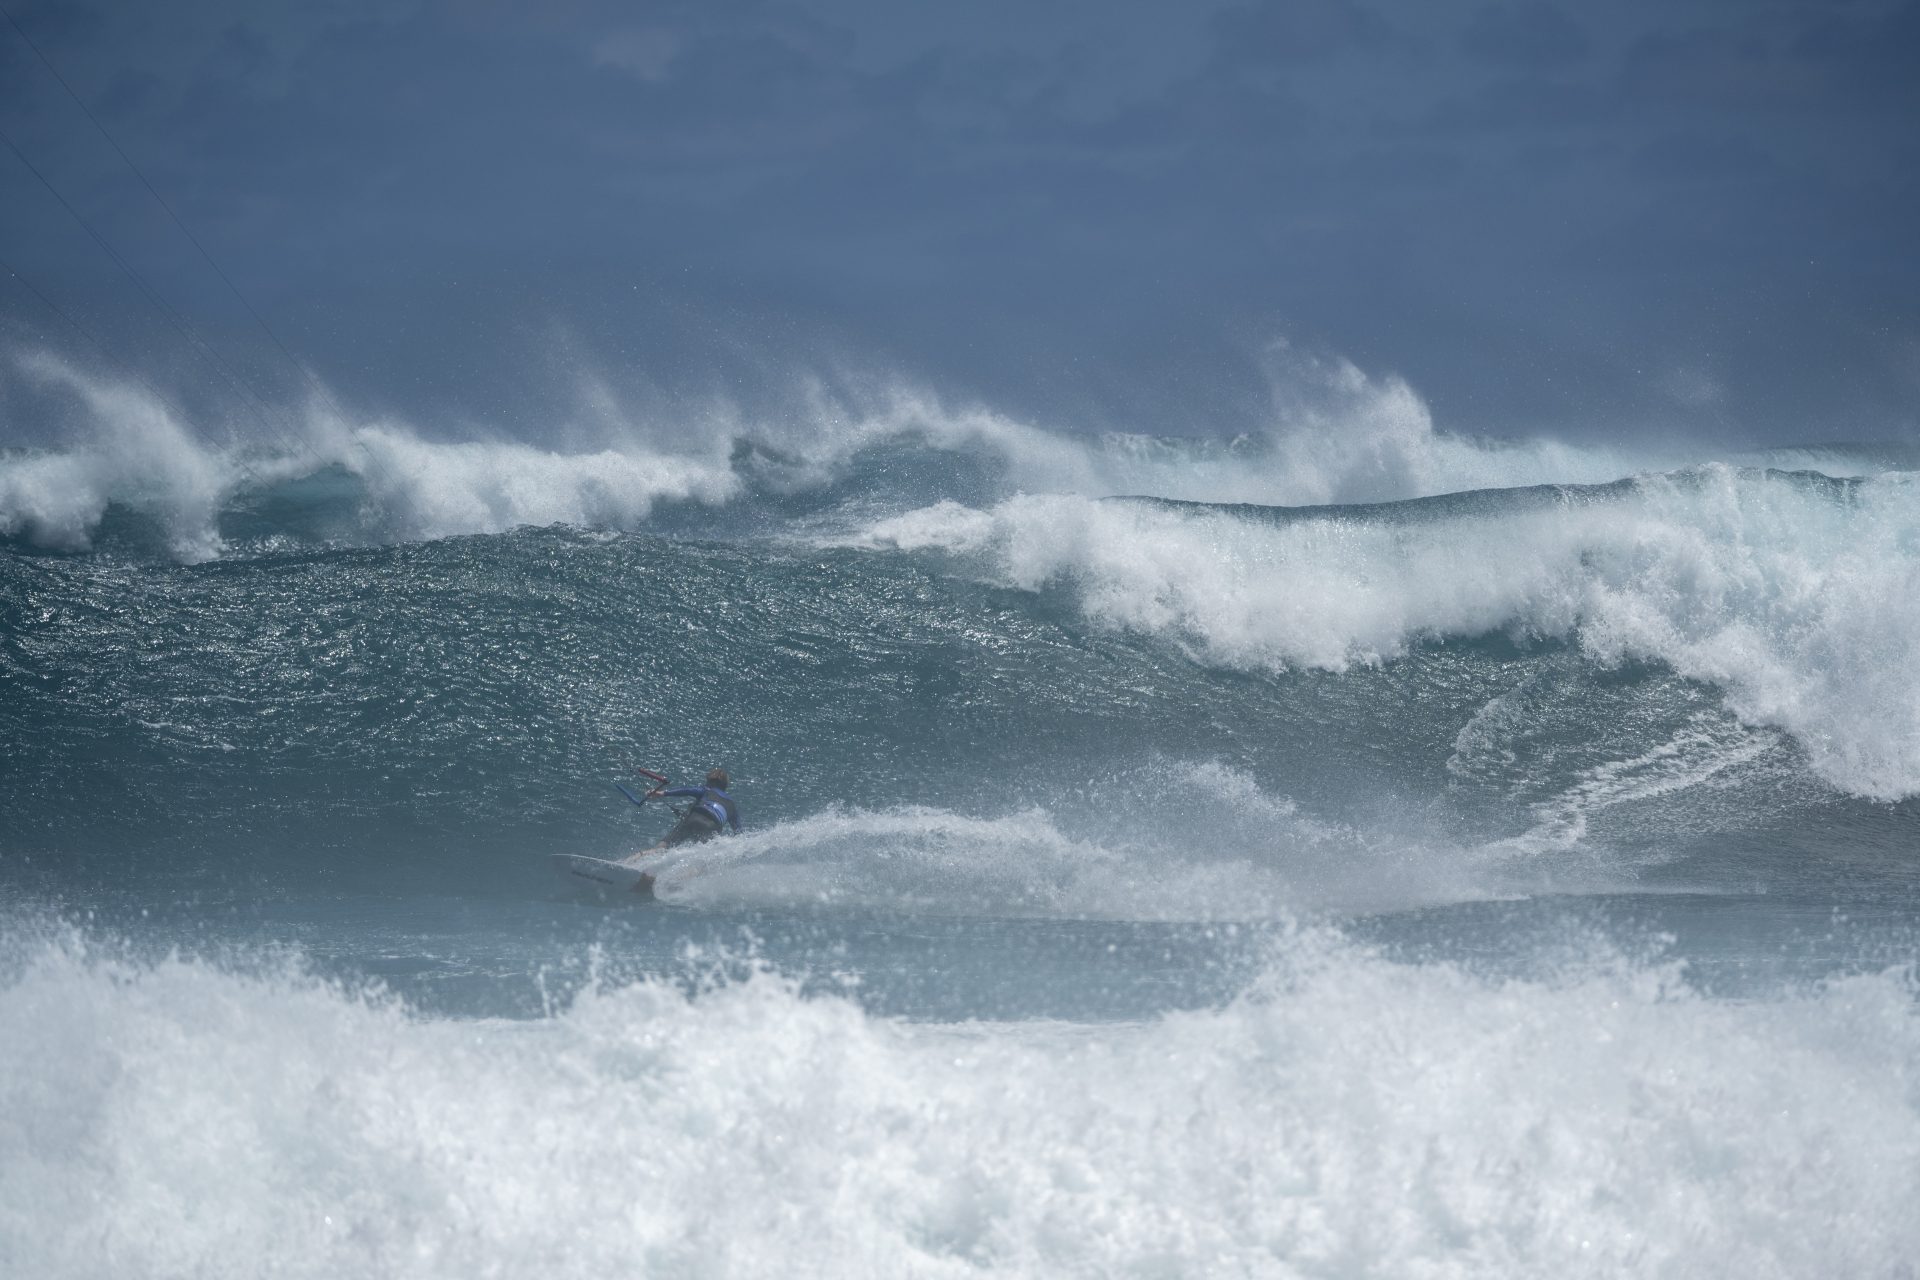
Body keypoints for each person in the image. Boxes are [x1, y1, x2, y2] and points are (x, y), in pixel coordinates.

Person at [631, 767, 741, 858]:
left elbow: (687, 790)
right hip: (711, 827)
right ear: (725, 786)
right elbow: (738, 832)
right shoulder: (731, 806)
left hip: (693, 819)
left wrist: (662, 793)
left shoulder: (706, 790)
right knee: (702, 860)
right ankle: (680, 879)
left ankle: (630, 862)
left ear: (709, 781)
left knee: (660, 849)